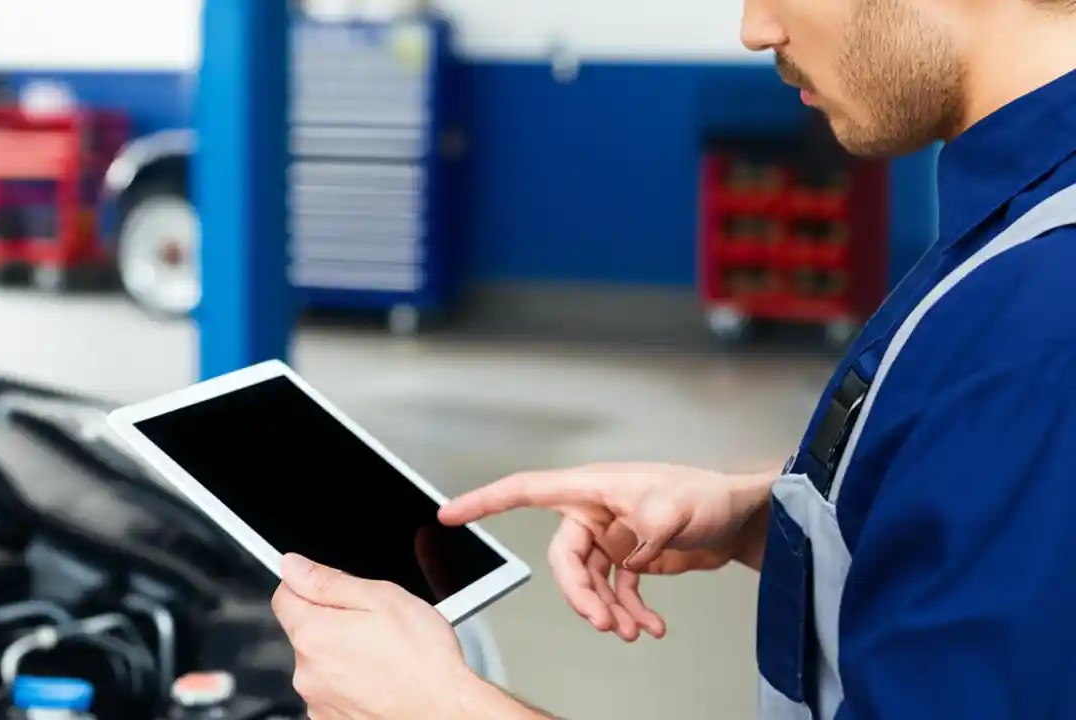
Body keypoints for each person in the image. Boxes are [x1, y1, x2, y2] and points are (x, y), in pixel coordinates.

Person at [269, 0, 1076, 716]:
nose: (755, 28)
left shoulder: (1045, 319)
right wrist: (766, 513)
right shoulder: (1020, 225)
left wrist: (439, 709)